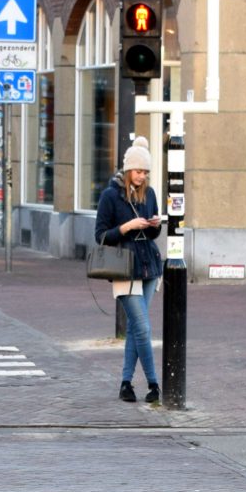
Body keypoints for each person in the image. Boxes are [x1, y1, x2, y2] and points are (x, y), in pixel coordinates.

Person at [93, 137, 164, 404]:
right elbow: (100, 235)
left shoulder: (150, 193)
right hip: (124, 270)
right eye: (138, 171)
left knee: (136, 329)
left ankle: (125, 384)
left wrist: (154, 224)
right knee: (143, 329)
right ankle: (154, 384)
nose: (141, 176)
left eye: (145, 172)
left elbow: (154, 233)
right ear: (127, 170)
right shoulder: (110, 196)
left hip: (149, 268)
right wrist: (126, 227)